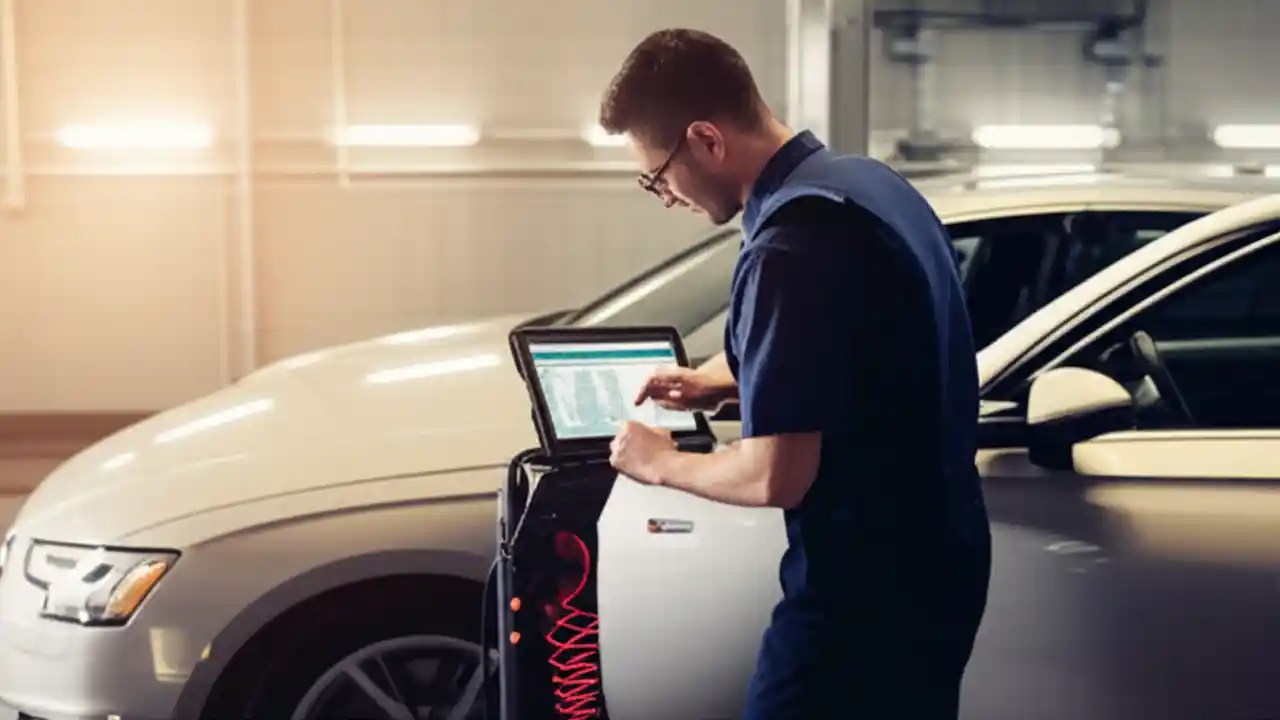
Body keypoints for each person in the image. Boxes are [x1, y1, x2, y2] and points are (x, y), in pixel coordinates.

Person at [599, 29, 992, 719]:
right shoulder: (865, 185)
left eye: (658, 176)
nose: (665, 197)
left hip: (860, 597)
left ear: (706, 140)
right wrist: (719, 380)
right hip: (941, 560)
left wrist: (659, 462)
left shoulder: (790, 246)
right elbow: (868, 351)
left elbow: (775, 476)